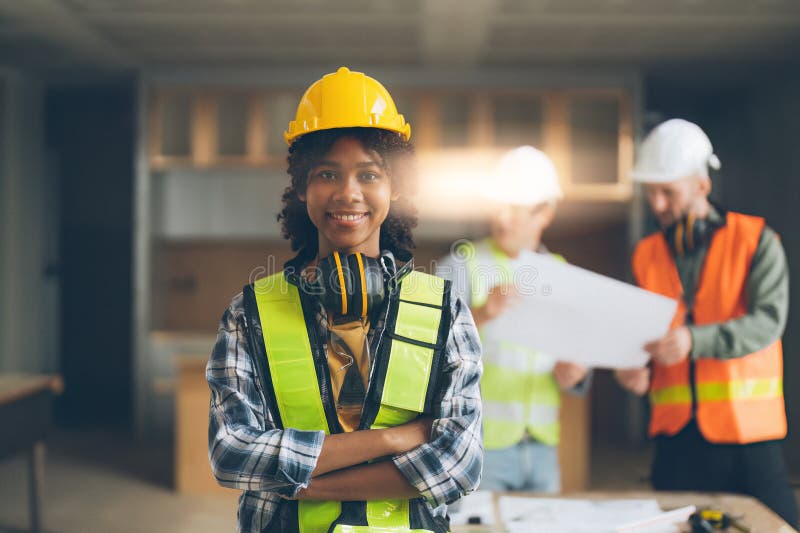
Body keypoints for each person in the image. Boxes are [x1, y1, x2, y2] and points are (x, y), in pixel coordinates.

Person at [206, 67, 483, 533]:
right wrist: (395, 439)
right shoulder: (248, 312)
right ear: (301, 187)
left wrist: (302, 482)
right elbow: (231, 454)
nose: (348, 193)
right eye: (327, 173)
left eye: (369, 174)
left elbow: (459, 464)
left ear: (394, 188)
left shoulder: (444, 309)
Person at [615, 118, 797, 526]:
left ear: (702, 185)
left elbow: (768, 321)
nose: (657, 205)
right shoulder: (645, 255)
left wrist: (694, 341)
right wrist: (636, 372)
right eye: (651, 194)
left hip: (748, 438)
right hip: (676, 441)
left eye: (668, 192)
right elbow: (639, 333)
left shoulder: (756, 242)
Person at [437, 146, 590, 493]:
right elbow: (428, 346)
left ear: (545, 213)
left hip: (542, 446)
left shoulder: (562, 274)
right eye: (498, 207)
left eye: (516, 210)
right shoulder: (463, 264)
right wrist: (480, 314)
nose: (503, 218)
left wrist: (576, 374)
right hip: (479, 447)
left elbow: (577, 354)